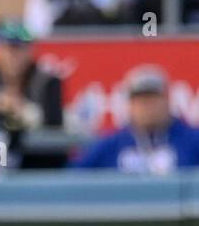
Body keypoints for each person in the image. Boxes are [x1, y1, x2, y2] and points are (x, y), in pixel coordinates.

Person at [71, 66, 199, 171]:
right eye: (140, 100)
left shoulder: (192, 141)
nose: (147, 106)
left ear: (167, 100)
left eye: (152, 98)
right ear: (130, 105)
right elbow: (72, 178)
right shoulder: (110, 145)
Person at [0, 22, 63, 132]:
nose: (12, 56)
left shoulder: (48, 82)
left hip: (34, 147)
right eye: (7, 48)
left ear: (30, 51)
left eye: (18, 49)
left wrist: (24, 110)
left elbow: (55, 123)